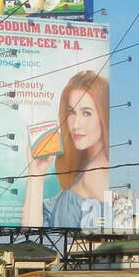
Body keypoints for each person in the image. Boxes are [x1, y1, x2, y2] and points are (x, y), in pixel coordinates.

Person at [20, 71, 110, 229]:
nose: (76, 124)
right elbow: (31, 235)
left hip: (78, 253)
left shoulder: (95, 174)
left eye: (87, 113)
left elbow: (31, 238)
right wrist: (36, 173)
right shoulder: (84, 168)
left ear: (104, 115)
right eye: (72, 112)